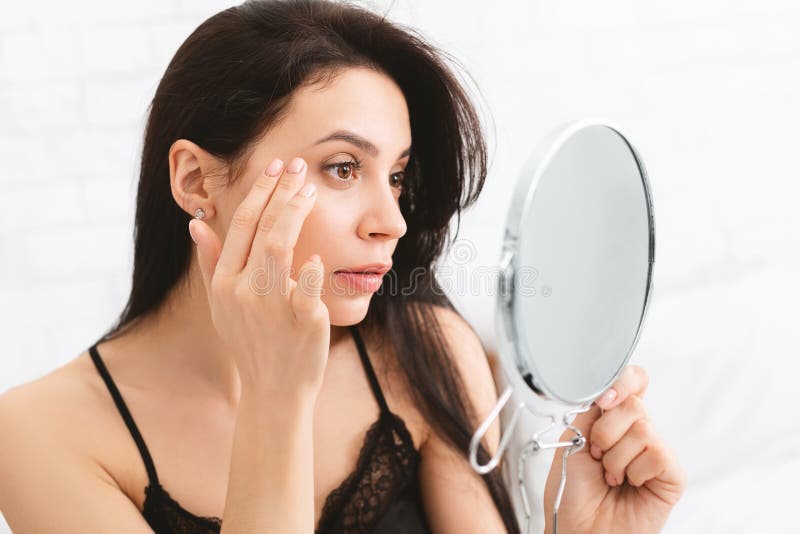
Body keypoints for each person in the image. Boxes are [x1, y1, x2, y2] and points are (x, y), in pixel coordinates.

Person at [0, 1, 686, 532]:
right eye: (342, 167)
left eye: (396, 176)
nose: (391, 218)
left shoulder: (419, 351)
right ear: (196, 180)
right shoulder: (41, 432)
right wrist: (277, 397)